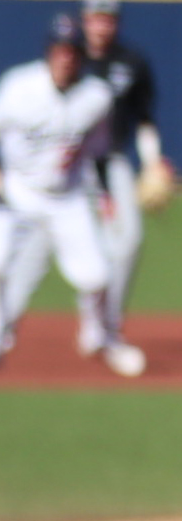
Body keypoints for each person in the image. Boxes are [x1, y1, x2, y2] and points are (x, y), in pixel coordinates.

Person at [0, 13, 143, 377]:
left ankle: (102, 338)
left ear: (81, 56)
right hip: (17, 192)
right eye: (59, 50)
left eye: (73, 51)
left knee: (96, 278)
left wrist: (105, 193)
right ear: (48, 52)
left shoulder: (96, 97)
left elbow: (99, 149)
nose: (66, 58)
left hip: (68, 198)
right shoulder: (18, 86)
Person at [80, 0, 168, 351]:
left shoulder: (131, 62)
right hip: (70, 167)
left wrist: (152, 162)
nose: (102, 26)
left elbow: (145, 118)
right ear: (85, 20)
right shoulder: (68, 58)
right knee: (84, 246)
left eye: (109, 19)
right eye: (96, 18)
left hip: (113, 160)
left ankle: (107, 324)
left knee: (129, 239)